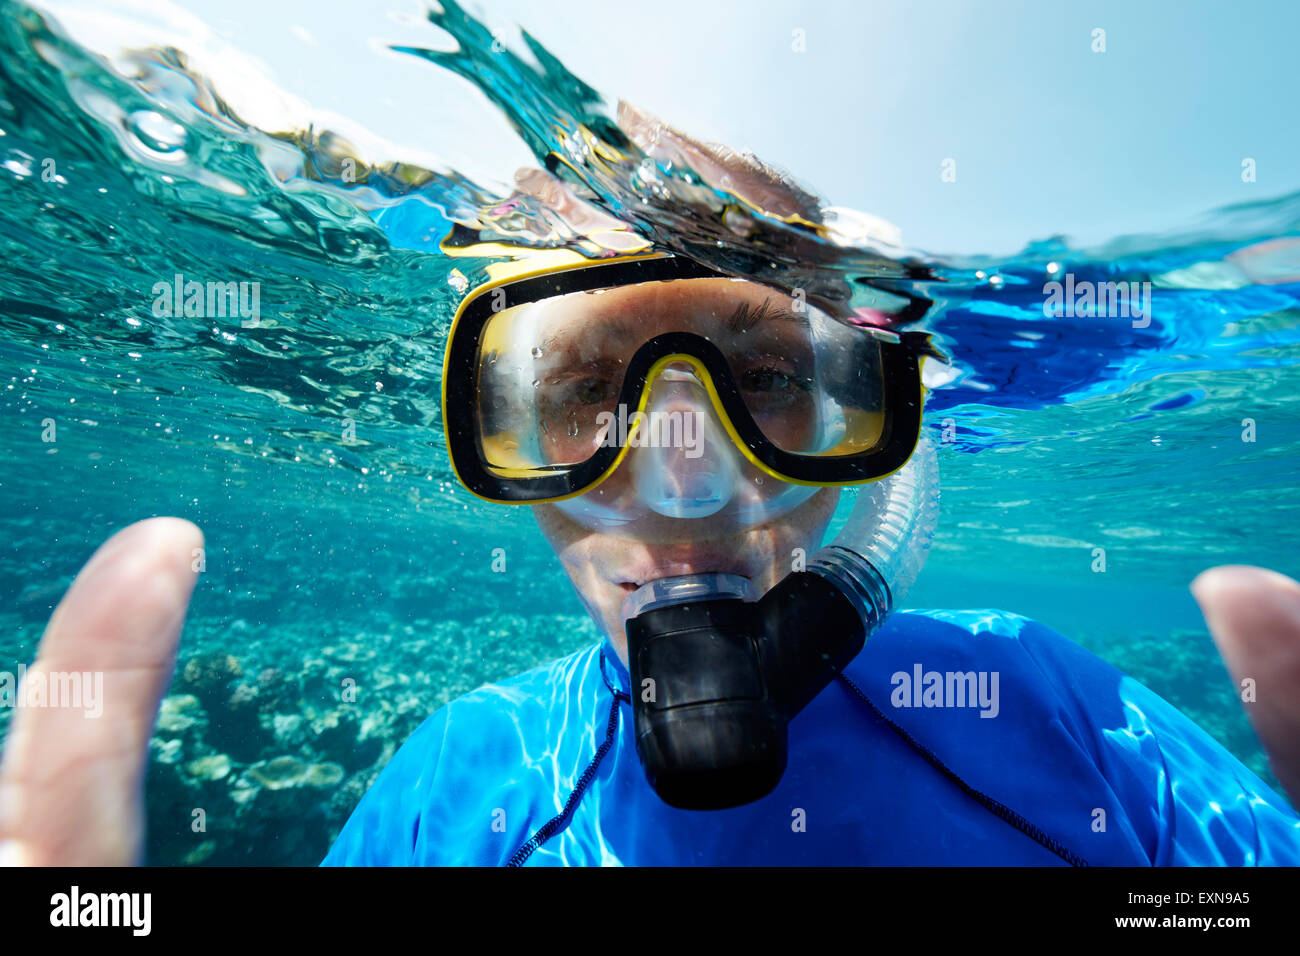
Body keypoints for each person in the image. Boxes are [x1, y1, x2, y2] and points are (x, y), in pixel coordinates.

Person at [2, 110, 1299, 867]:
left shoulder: (1048, 714)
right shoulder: (459, 791)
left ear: (880, 420)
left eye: (771, 379)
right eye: (584, 392)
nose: (686, 492)